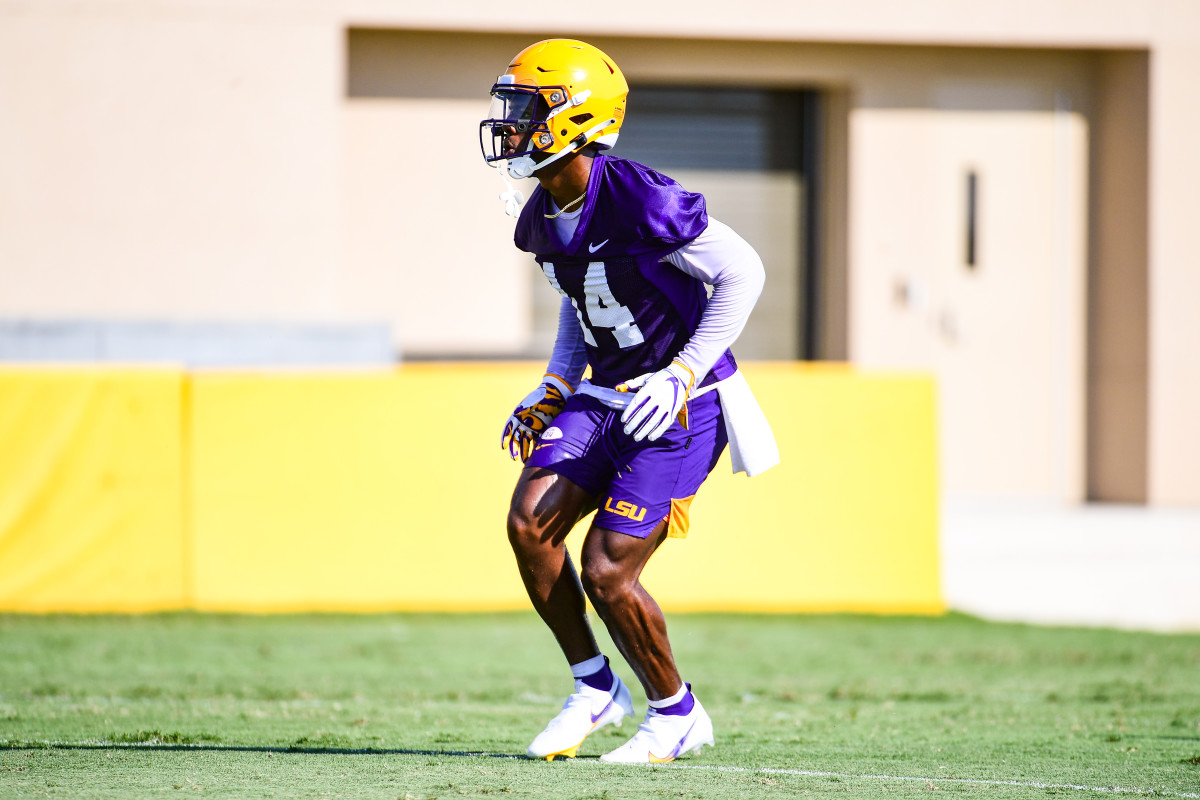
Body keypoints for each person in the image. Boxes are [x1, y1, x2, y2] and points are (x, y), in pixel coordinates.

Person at [479, 38, 779, 764]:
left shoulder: (639, 196)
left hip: (682, 404)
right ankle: (594, 686)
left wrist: (682, 370)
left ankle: (677, 713)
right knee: (528, 526)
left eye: (524, 108)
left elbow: (744, 272)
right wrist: (555, 383)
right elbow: (584, 301)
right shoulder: (544, 209)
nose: (509, 124)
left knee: (608, 570)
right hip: (601, 393)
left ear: (571, 117)